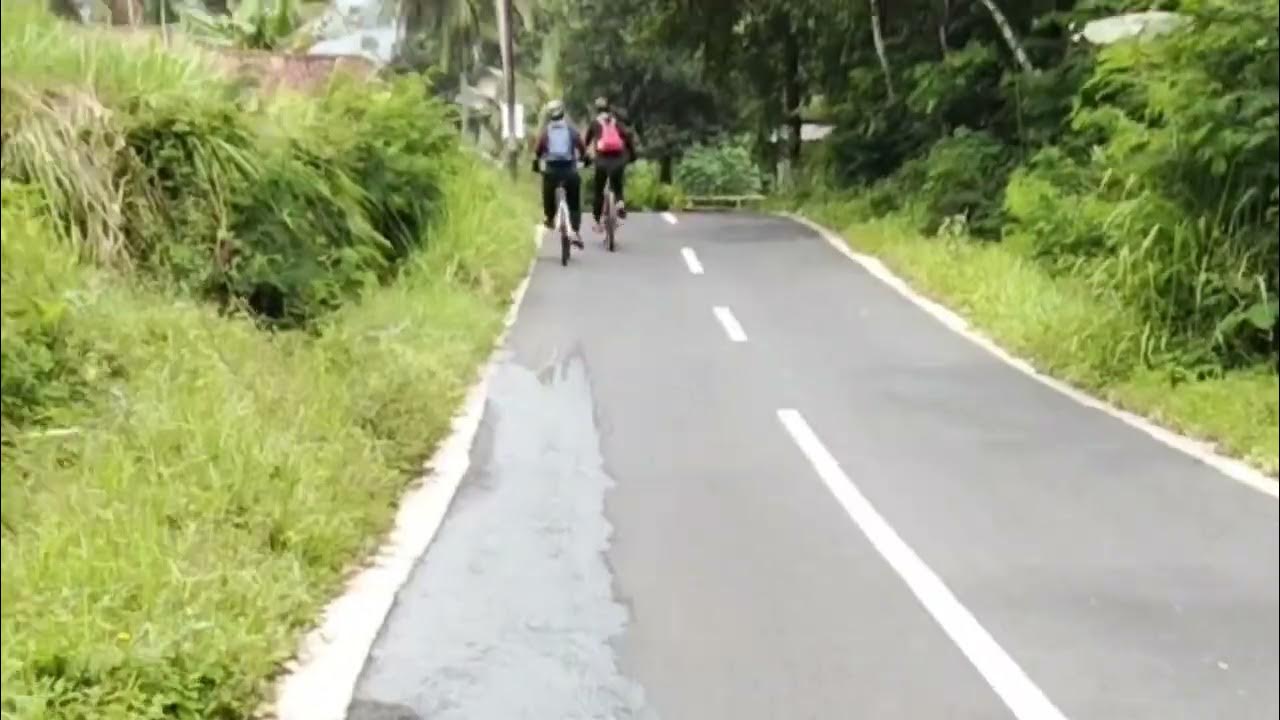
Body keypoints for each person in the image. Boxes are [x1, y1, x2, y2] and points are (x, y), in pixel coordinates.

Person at [530, 100, 587, 248]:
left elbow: (537, 153)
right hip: (570, 171)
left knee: (547, 195)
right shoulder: (571, 131)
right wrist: (585, 160)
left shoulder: (545, 133)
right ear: (563, 113)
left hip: (552, 172)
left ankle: (550, 218)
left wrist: (536, 166)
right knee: (574, 202)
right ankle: (574, 230)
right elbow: (583, 149)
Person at [583, 97, 637, 232]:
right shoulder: (616, 122)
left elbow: (585, 143)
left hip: (601, 161)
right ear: (609, 109)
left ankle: (597, 221)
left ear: (597, 110)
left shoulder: (594, 123)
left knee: (598, 190)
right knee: (617, 185)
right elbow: (627, 137)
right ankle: (619, 203)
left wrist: (585, 159)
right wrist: (632, 156)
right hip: (618, 160)